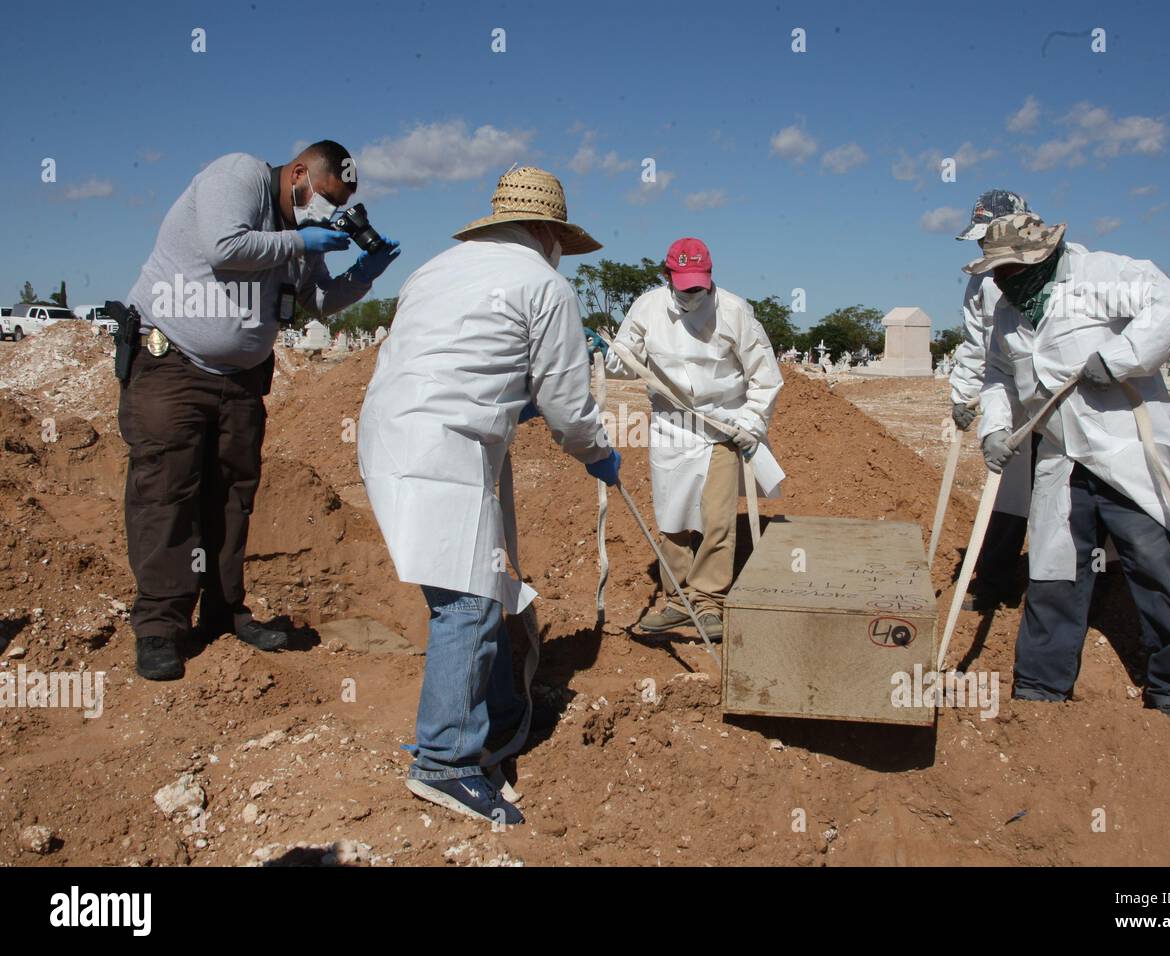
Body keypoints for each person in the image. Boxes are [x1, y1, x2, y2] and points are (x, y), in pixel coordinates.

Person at [358, 166, 618, 825]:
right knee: (469, 602)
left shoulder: (435, 270)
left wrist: (515, 405)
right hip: (443, 446)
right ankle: (444, 761)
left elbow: (456, 362)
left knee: (480, 582)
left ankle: (498, 712)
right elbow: (567, 405)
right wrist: (597, 451)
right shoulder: (547, 285)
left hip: (392, 432)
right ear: (547, 231)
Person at [122, 141, 400, 681]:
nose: (325, 212)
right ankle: (160, 626)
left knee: (231, 495)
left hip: (241, 380)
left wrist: (367, 272)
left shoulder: (300, 232)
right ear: (299, 173)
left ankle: (225, 612)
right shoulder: (239, 175)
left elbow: (316, 301)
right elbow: (224, 246)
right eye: (324, 196)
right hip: (173, 363)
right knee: (167, 491)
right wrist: (299, 238)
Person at [971, 212, 1170, 725]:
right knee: (1053, 574)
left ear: (1039, 259)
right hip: (1060, 459)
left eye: (1006, 269)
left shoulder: (1101, 274)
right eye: (995, 271)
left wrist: (1121, 357)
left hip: (1125, 458)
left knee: (1153, 569)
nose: (998, 280)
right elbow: (997, 374)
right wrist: (993, 428)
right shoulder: (1008, 314)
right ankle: (1040, 691)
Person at [590, 238, 783, 641]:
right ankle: (678, 601)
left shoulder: (734, 311)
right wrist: (599, 351)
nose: (694, 293)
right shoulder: (647, 307)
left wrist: (750, 423)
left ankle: (709, 602)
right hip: (670, 427)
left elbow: (765, 375)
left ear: (710, 277)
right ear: (668, 278)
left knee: (716, 519)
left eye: (700, 284)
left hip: (721, 426)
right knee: (672, 519)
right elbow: (625, 364)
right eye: (685, 285)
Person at [948, 190, 1091, 609]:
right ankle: (994, 582)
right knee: (1009, 492)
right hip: (1013, 398)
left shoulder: (1069, 265)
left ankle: (1078, 588)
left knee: (1070, 497)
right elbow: (978, 345)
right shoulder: (981, 282)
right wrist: (963, 394)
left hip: (1068, 402)